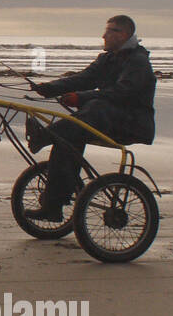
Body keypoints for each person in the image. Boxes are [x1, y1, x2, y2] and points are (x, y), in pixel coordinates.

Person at [23, 15, 155, 221]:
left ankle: (45, 136)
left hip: (132, 123)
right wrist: (49, 88)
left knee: (95, 105)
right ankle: (53, 207)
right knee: (65, 140)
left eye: (110, 31)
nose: (104, 35)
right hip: (107, 118)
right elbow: (84, 78)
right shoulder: (109, 58)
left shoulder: (137, 61)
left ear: (124, 35)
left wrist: (80, 98)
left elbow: (121, 93)